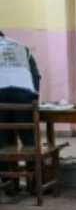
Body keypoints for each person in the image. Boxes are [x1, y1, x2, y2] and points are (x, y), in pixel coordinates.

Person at [0, 33, 41, 193]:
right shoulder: (20, 46)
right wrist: (33, 97)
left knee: (3, 141)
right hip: (24, 95)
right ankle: (34, 183)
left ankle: (10, 184)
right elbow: (36, 75)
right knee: (29, 139)